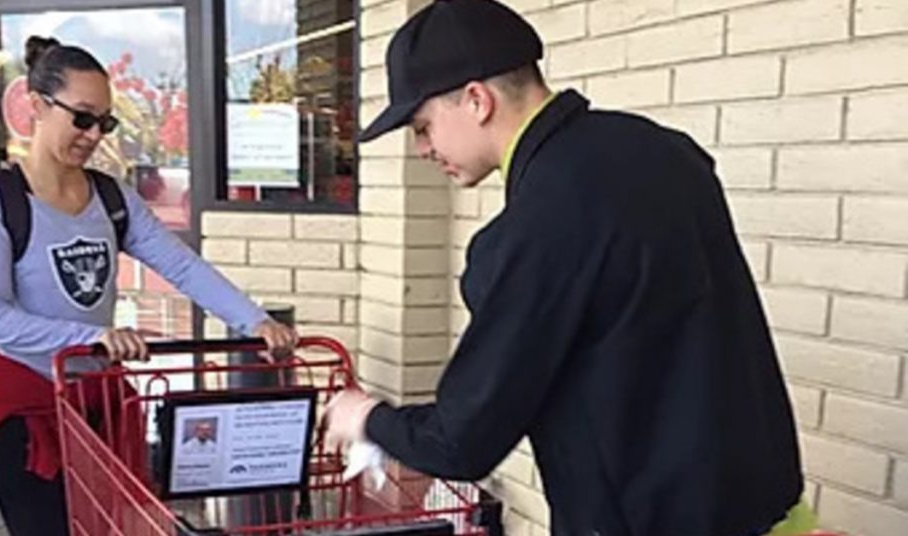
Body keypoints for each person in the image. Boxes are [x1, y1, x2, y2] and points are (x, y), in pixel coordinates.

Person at [324, 1, 813, 535]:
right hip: (775, 512)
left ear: (476, 100)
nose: (423, 148)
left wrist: (366, 417)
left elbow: (461, 440)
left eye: (423, 126)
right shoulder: (667, 151)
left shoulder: (539, 222)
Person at [0, 36, 297, 536]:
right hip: (22, 403)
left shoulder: (111, 198)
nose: (94, 135)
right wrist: (92, 337)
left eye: (105, 123)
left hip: (92, 397)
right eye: (82, 118)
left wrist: (254, 321)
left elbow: (181, 266)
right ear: (37, 106)